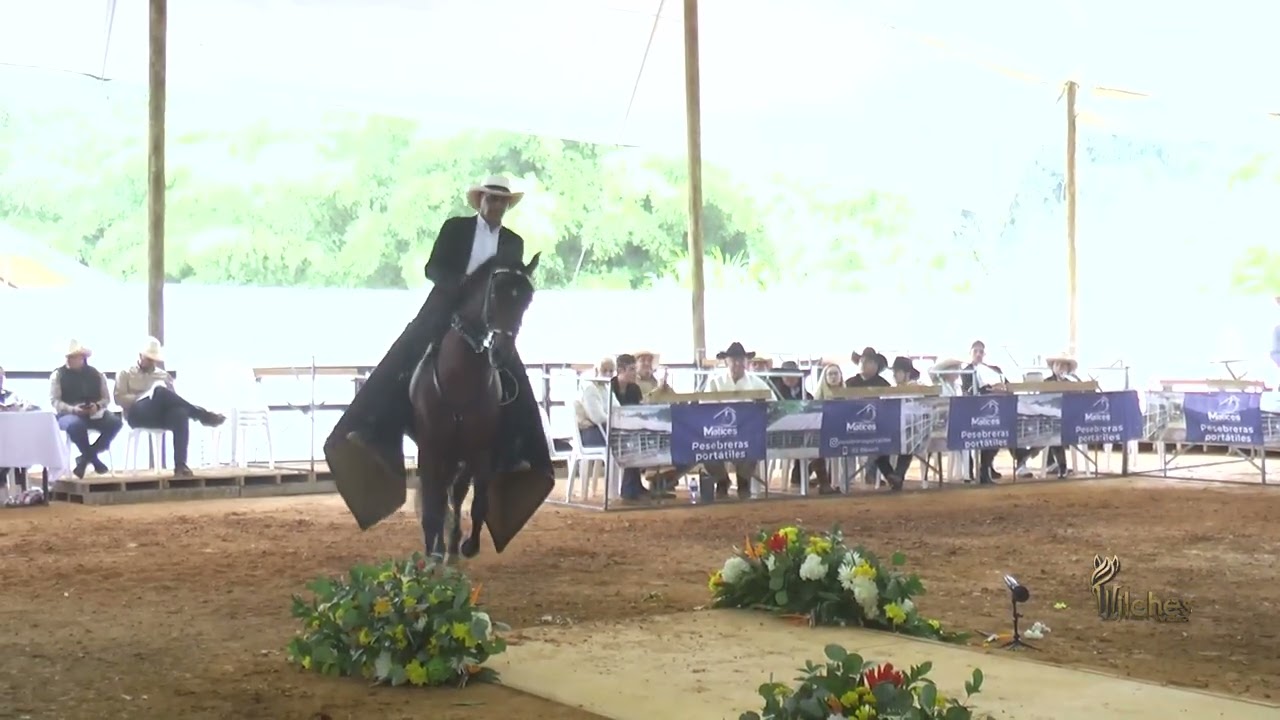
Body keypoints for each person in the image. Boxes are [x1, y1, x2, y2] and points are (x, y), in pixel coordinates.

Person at [324, 175, 553, 528]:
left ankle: (520, 454)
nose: (496, 207)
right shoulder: (456, 229)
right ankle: (367, 429)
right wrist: (459, 285)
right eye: (491, 200)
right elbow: (433, 268)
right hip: (445, 308)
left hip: (488, 320)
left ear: (507, 206)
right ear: (480, 202)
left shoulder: (513, 242)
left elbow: (509, 283)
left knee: (513, 374)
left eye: (502, 202)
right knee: (403, 352)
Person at [114, 337, 225, 478]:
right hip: (136, 413)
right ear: (140, 356)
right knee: (159, 391)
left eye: (153, 359)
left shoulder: (162, 375)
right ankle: (202, 415)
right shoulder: (125, 373)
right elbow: (119, 398)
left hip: (159, 415)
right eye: (148, 358)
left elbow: (173, 399)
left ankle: (180, 465)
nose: (150, 362)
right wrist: (143, 397)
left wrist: (158, 395)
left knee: (179, 412)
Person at [703, 342, 776, 498]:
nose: (737, 363)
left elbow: (773, 404)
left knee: (752, 446)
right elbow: (705, 409)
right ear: (726, 362)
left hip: (746, 433)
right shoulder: (715, 382)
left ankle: (743, 482)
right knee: (704, 451)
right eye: (733, 360)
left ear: (746, 362)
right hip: (719, 432)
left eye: (741, 360)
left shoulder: (757, 383)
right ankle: (722, 481)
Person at [50, 340, 122, 478]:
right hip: (68, 414)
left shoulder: (97, 374)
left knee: (115, 422)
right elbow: (55, 401)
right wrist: (73, 409)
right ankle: (93, 459)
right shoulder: (58, 375)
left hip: (94, 413)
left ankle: (84, 459)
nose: (69, 360)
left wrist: (97, 406)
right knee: (76, 425)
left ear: (82, 358)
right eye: (68, 357)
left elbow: (106, 398)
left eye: (72, 357)